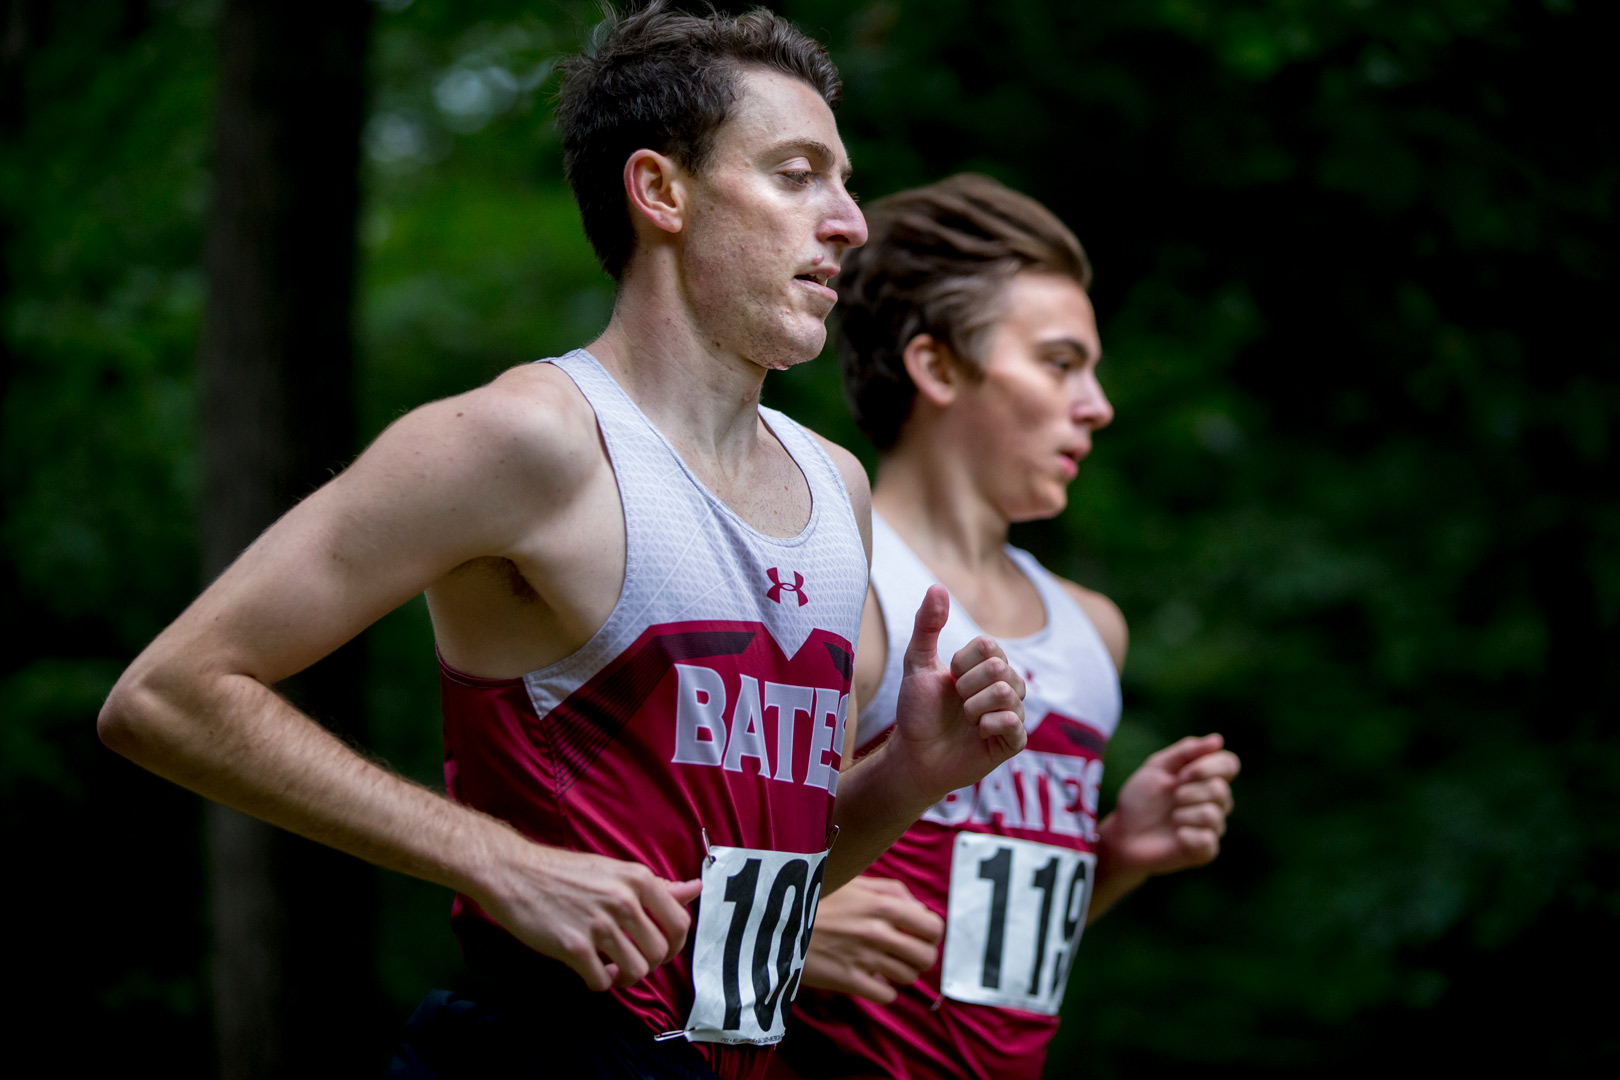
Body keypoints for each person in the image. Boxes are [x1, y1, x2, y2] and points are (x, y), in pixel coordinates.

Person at [95, 9, 1028, 1079]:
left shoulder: (835, 483)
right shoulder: (528, 438)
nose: (850, 222)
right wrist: (497, 860)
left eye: (843, 180)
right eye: (796, 175)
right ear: (661, 192)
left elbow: (750, 894)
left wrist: (908, 773)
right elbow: (168, 693)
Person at [771, 174, 1242, 1080]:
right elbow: (687, 862)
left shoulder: (1092, 631)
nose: (1097, 404)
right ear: (938, 366)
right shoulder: (841, 588)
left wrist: (1113, 857)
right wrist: (787, 917)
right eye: (1062, 363)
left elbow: (983, 952)